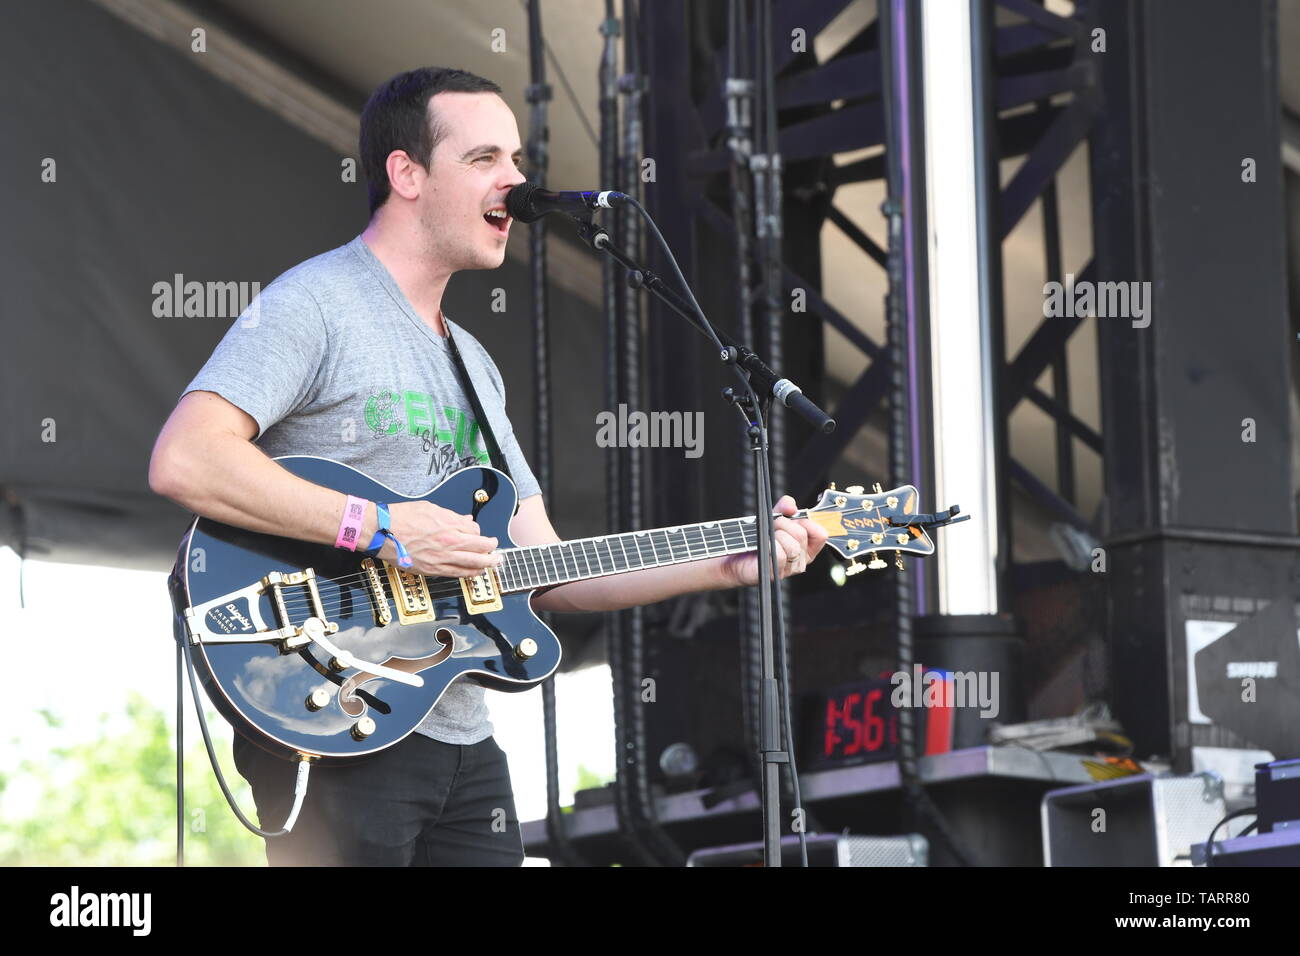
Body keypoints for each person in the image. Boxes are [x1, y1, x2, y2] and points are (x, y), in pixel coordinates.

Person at [148, 66, 829, 866]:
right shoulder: (316, 304)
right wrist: (384, 528)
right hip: (337, 704)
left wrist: (728, 564)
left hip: (461, 734)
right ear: (407, 174)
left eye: (517, 159)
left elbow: (547, 570)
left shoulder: (473, 361)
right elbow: (186, 458)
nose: (515, 179)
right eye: (484, 159)